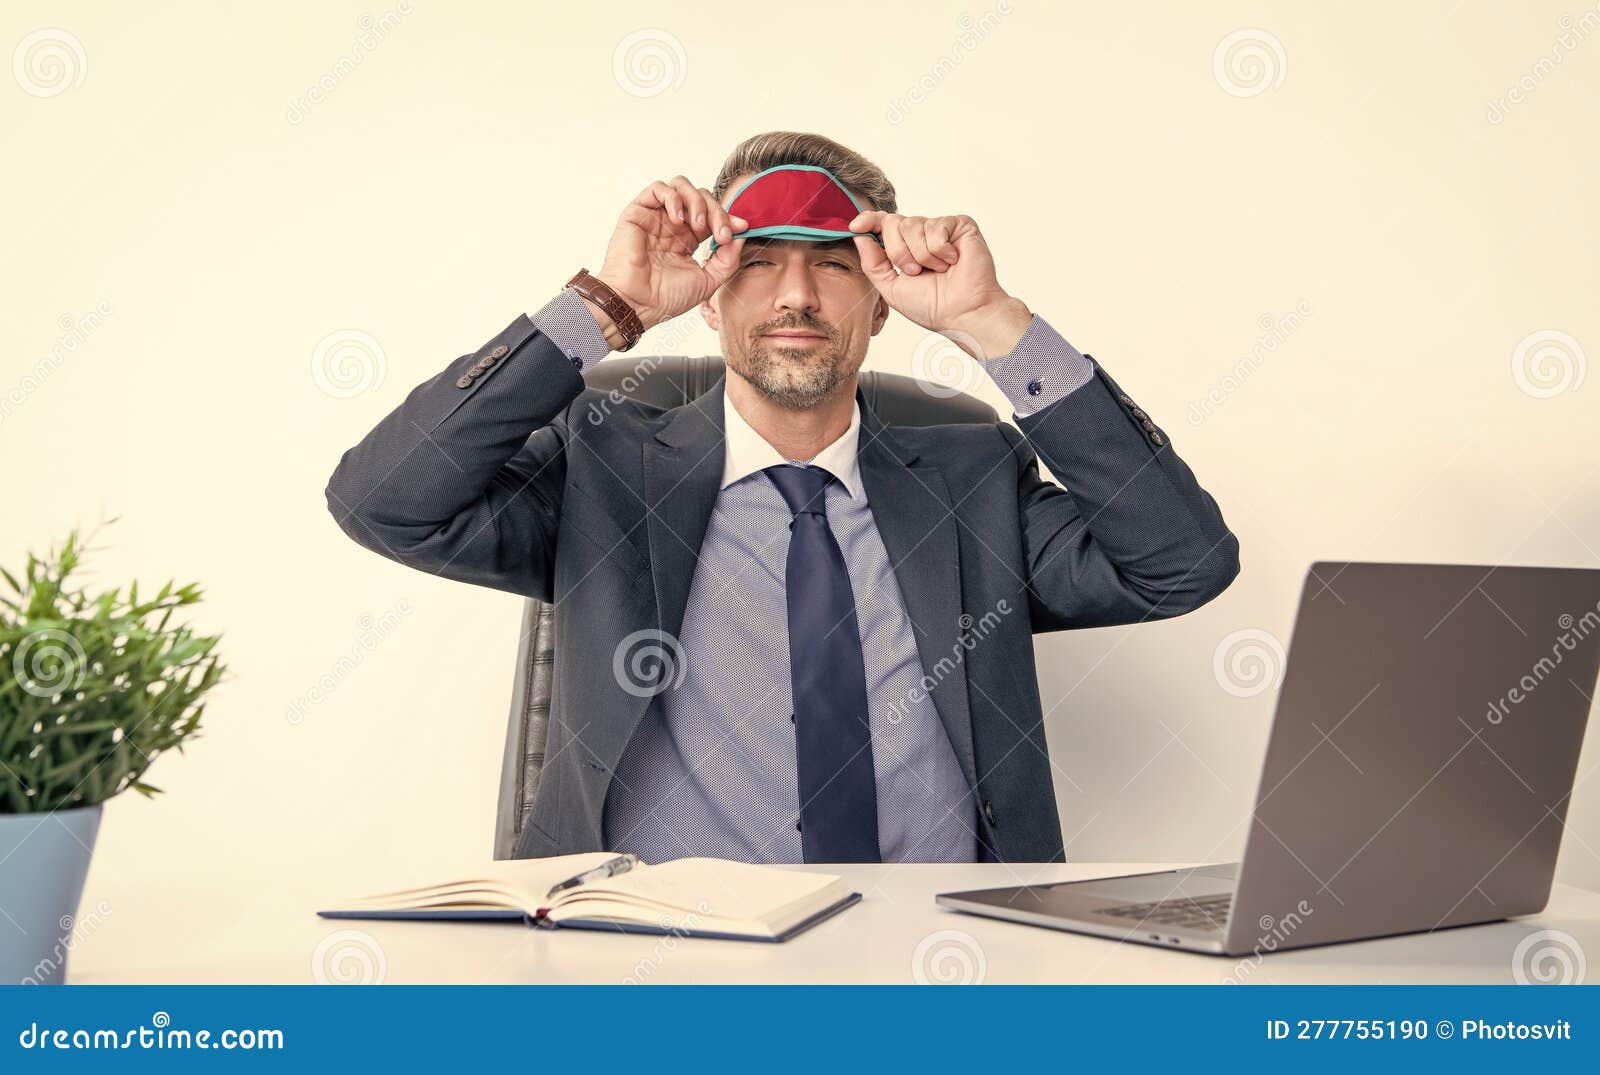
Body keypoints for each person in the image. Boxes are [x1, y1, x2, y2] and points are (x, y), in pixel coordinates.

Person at [325, 131, 1240, 864]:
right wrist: (605, 305)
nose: (796, 295)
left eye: (834, 265)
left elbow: (1181, 563)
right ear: (712, 299)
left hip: (940, 973)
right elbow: (383, 500)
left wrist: (993, 323)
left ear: (881, 303)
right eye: (759, 262)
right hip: (663, 978)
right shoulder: (601, 468)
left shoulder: (971, 476)